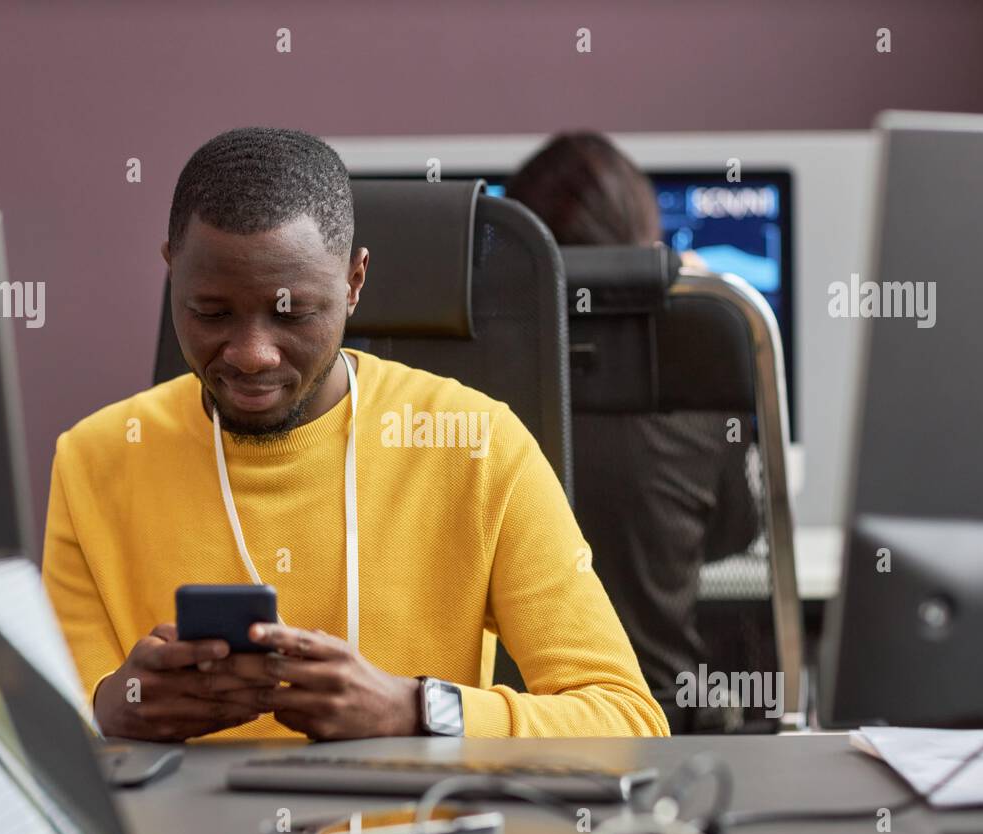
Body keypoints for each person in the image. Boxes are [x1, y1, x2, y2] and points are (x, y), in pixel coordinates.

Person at [42, 127, 669, 742]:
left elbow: (627, 721)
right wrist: (107, 713)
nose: (252, 354)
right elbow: (41, 737)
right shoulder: (93, 458)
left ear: (353, 282)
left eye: (293, 312)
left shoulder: (478, 445)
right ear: (170, 273)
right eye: (210, 312)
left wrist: (417, 711)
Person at [506, 132, 759, 733]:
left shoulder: (477, 399)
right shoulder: (699, 398)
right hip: (657, 721)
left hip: (514, 723)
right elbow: (733, 535)